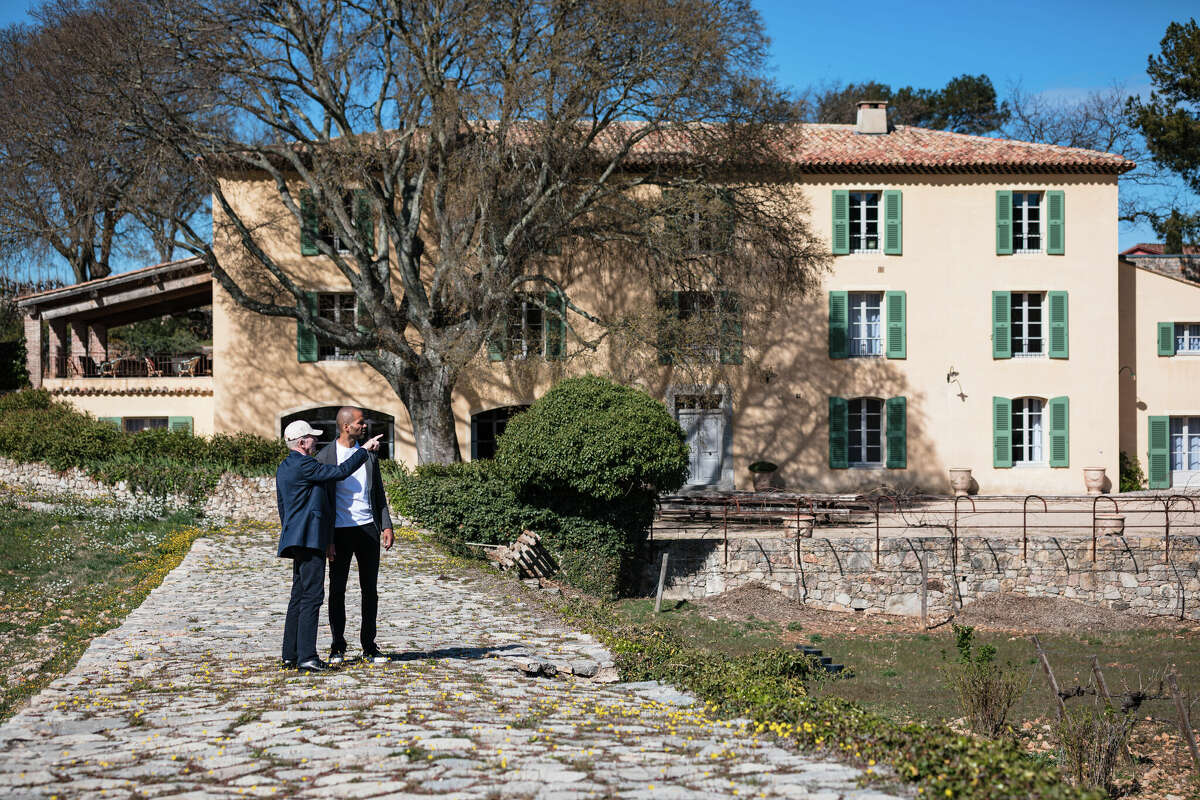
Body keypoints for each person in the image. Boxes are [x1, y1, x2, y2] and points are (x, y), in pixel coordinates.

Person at [276, 419, 382, 673]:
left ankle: (290, 655)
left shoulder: (284, 467)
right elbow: (340, 472)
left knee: (298, 596)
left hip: (295, 538)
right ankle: (307, 657)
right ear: (301, 443)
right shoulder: (306, 465)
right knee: (312, 597)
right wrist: (364, 451)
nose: (316, 441)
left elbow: (283, 506)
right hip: (311, 539)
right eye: (312, 437)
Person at [316, 406, 395, 665]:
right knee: (337, 590)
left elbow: (378, 492)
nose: (365, 426)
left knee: (369, 590)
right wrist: (326, 538)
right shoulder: (325, 456)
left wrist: (386, 525)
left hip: (367, 529)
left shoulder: (369, 455)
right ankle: (337, 646)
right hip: (338, 532)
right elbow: (321, 501)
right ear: (346, 426)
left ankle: (369, 646)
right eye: (361, 423)